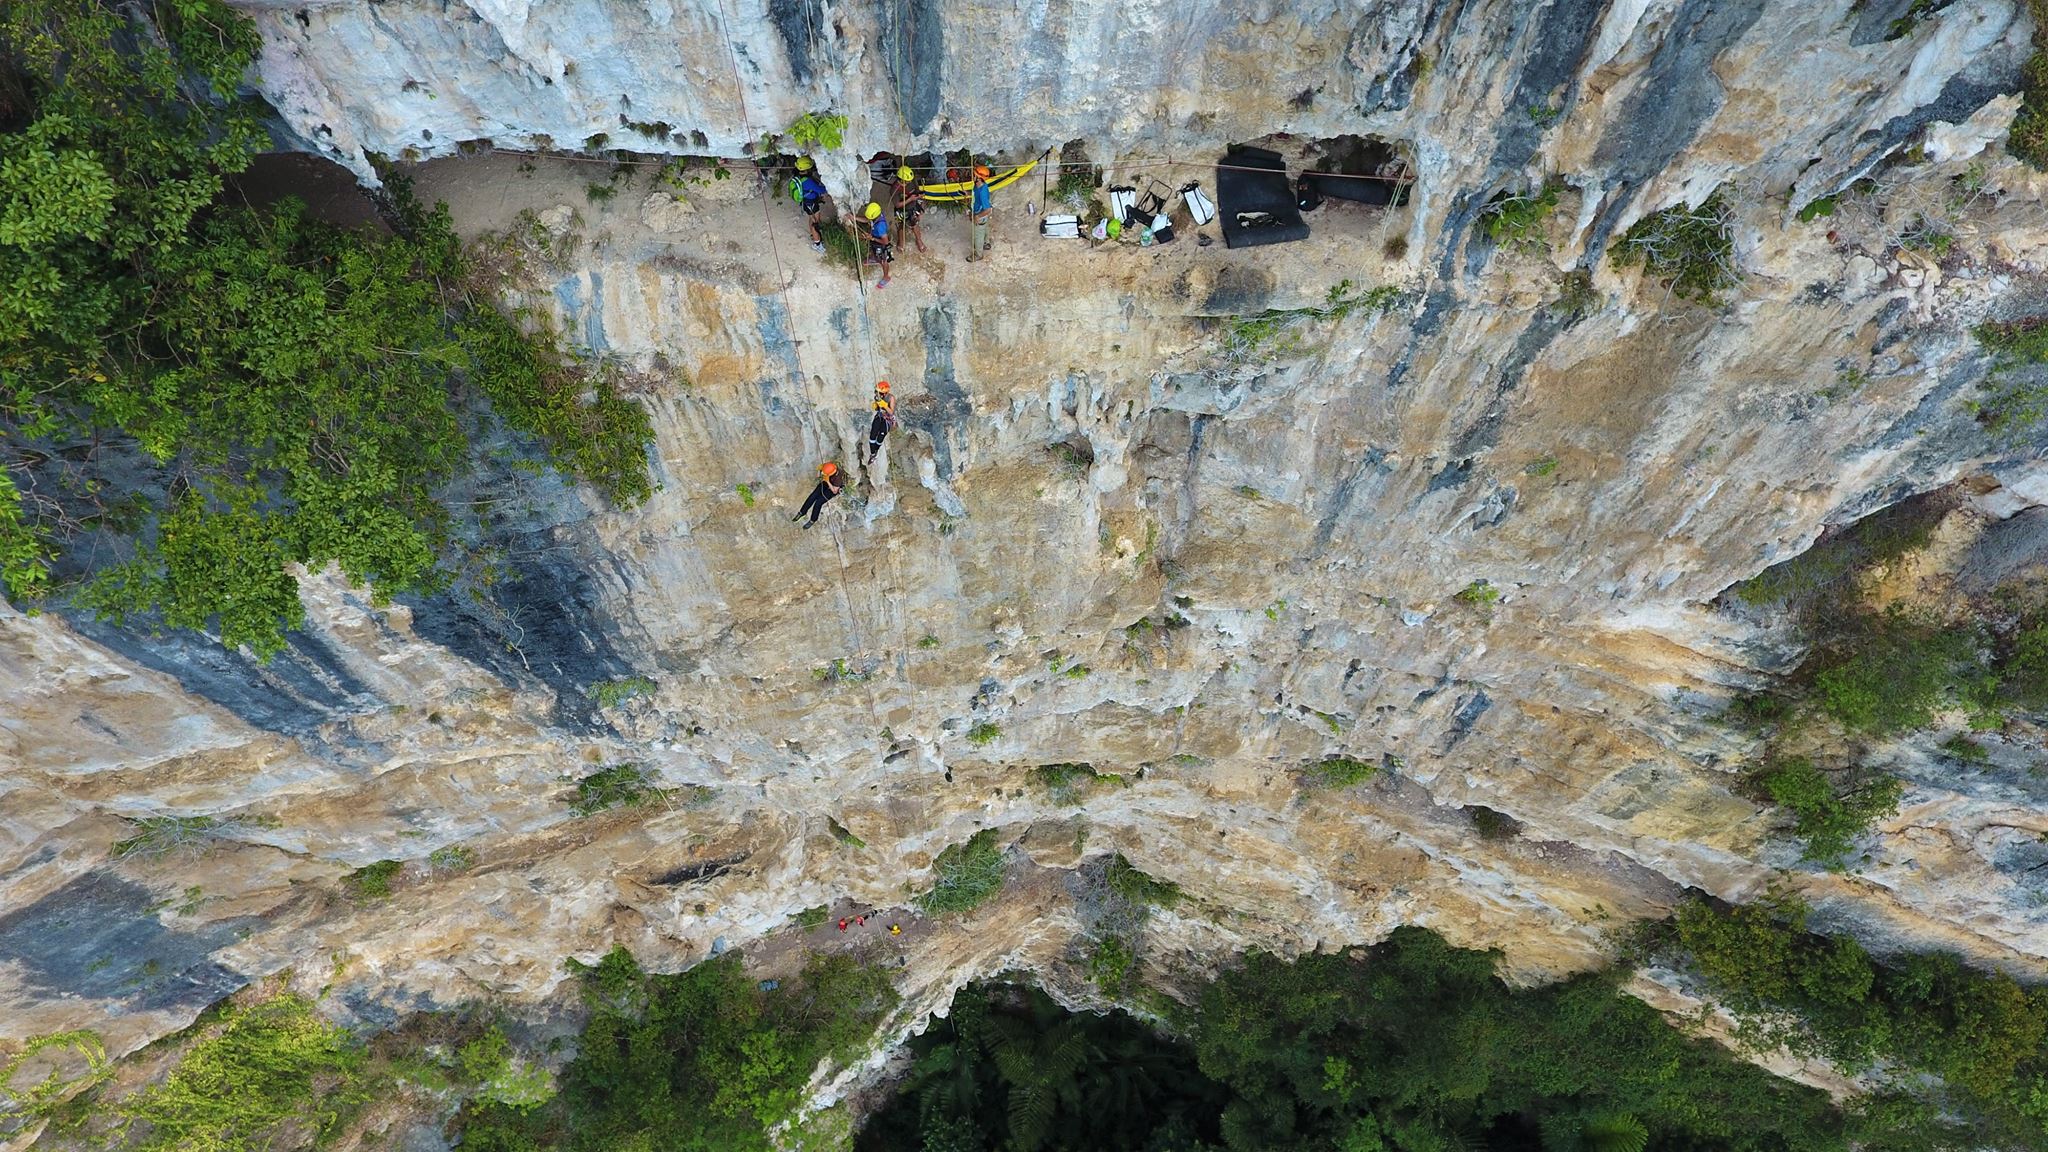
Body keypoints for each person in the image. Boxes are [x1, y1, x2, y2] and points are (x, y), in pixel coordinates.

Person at [792, 462, 843, 529]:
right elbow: (819, 473)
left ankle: (813, 520)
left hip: (833, 488)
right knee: (812, 496)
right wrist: (820, 470)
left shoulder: (838, 479)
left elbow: (834, 490)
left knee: (818, 502)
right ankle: (802, 512)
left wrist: (827, 481)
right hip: (826, 481)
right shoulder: (828, 467)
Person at [795, 157, 829, 252]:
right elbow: (821, 190)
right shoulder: (808, 181)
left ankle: (813, 235)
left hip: (806, 203)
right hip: (811, 204)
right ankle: (817, 244)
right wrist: (828, 186)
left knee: (812, 219)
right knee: (815, 223)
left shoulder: (799, 177)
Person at [894, 166, 928, 253]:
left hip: (913, 207)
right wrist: (910, 199)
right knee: (901, 226)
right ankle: (901, 242)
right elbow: (897, 205)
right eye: (907, 181)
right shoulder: (895, 189)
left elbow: (917, 191)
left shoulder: (912, 181)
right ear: (901, 180)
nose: (909, 182)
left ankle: (918, 240)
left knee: (915, 224)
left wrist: (920, 200)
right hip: (901, 210)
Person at [864, 381, 897, 462]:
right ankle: (872, 454)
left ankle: (876, 451)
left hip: (887, 419)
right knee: (872, 436)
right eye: (877, 392)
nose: (878, 394)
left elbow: (891, 412)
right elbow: (877, 408)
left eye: (880, 393)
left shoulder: (891, 398)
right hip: (879, 416)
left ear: (885, 393)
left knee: (880, 437)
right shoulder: (878, 397)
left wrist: (885, 405)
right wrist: (876, 406)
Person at [862, 202, 892, 288]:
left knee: (883, 260)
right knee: (873, 250)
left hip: (881, 244)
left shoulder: (880, 227)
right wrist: (854, 218)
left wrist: (872, 238)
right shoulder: (877, 215)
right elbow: (867, 219)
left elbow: (886, 242)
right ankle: (874, 259)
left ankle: (886, 277)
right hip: (875, 239)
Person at [967, 164, 993, 261]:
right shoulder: (978, 185)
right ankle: (986, 243)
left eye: (974, 174)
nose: (972, 175)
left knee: (978, 235)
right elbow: (975, 194)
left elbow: (988, 209)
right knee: (984, 228)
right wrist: (968, 193)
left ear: (978, 178)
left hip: (981, 213)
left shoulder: (982, 192)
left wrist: (977, 216)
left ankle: (978, 254)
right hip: (981, 212)